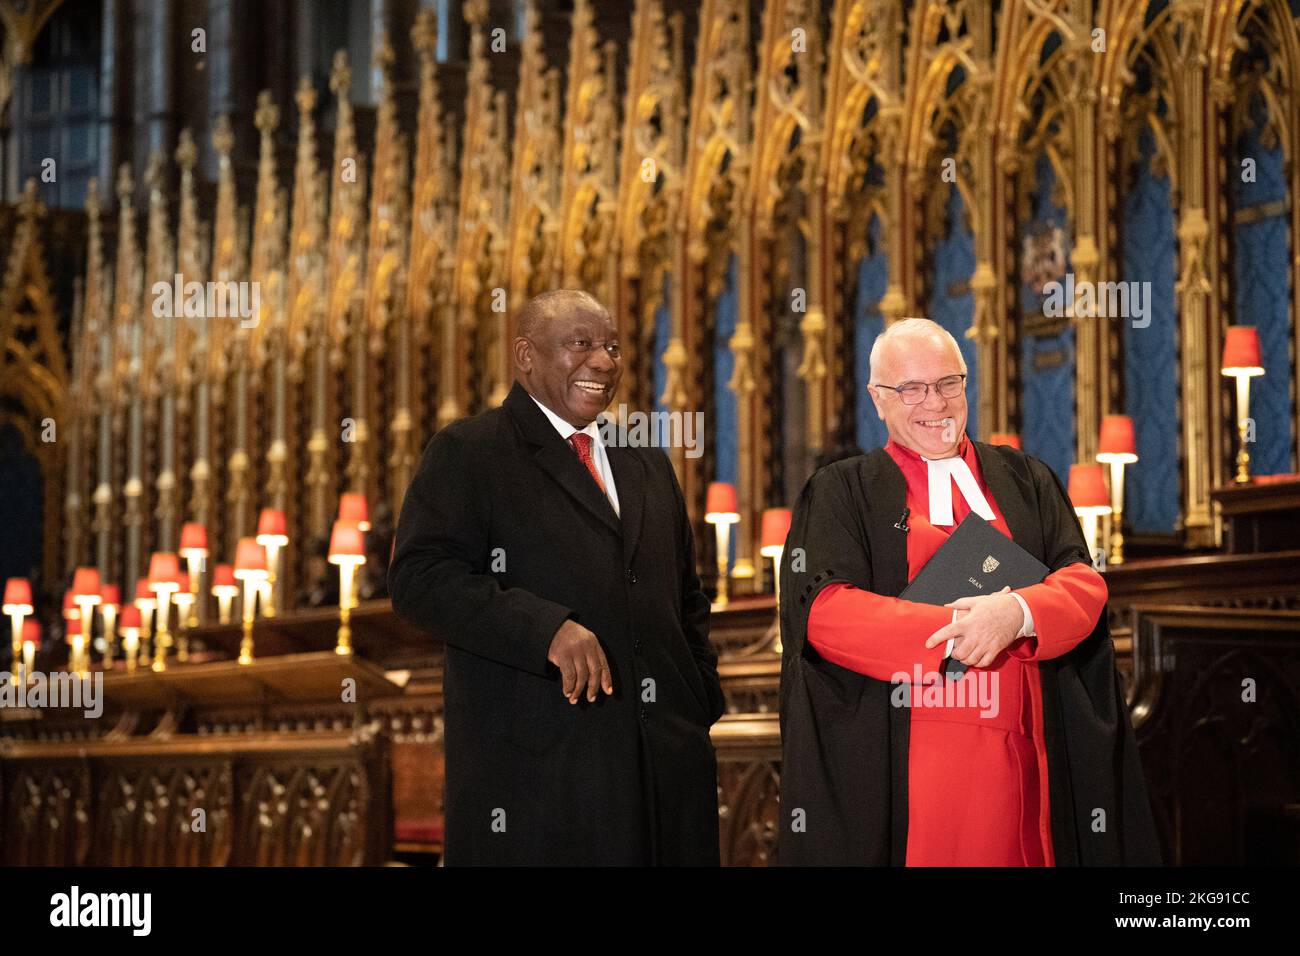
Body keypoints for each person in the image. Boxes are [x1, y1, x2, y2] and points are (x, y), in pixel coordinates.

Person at [778, 317, 1160, 866]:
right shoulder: (843, 490)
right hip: (914, 756)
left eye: (947, 383)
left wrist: (1017, 612)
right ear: (878, 400)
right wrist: (958, 633)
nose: (933, 402)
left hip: (1030, 747)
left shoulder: (1026, 478)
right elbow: (824, 611)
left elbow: (1082, 581)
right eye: (909, 388)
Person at [390, 289, 725, 865]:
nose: (603, 362)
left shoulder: (644, 458)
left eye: (612, 347)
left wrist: (696, 699)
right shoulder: (470, 451)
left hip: (667, 774)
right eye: (581, 344)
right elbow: (420, 580)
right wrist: (545, 629)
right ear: (525, 354)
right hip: (540, 780)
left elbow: (687, 596)